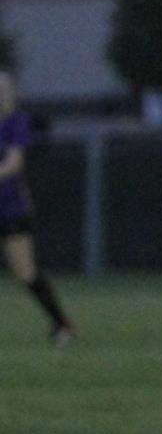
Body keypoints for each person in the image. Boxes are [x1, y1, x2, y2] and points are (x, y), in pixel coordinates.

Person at [0, 68, 76, 345]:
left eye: (4, 90)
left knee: (24, 271)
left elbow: (14, 163)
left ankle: (61, 324)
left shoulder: (17, 122)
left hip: (10, 209)